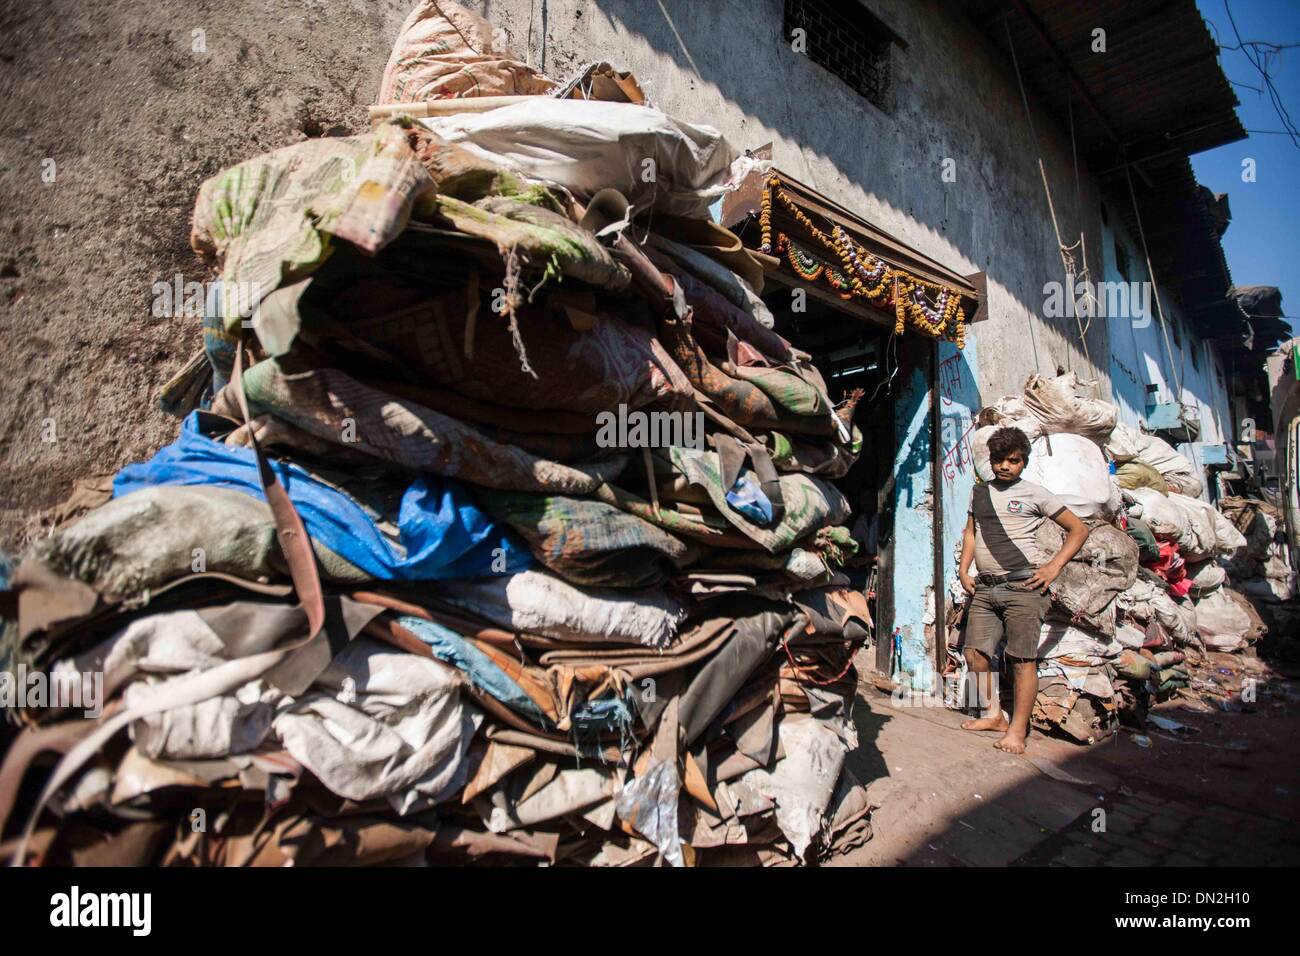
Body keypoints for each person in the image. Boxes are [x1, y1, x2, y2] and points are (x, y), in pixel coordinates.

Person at [957, 427, 1089, 754]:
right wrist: (963, 569)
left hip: (1024, 587)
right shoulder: (979, 492)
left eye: (1013, 461)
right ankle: (993, 716)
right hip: (986, 587)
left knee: (1021, 660)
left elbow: (1079, 529)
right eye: (999, 460)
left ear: (1024, 462)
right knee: (975, 654)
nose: (1005, 466)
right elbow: (971, 532)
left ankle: (1017, 731)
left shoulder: (1035, 493)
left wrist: (1053, 567)